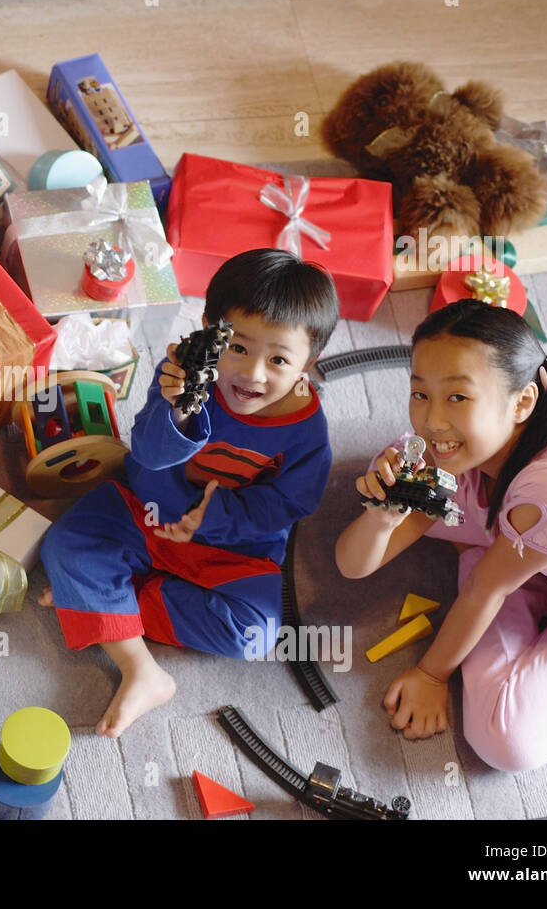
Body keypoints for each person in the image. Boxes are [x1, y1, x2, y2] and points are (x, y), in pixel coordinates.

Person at [335, 299, 547, 771]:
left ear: (523, 401)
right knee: (395, 477)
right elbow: (353, 564)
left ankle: (499, 552)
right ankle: (506, 551)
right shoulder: (448, 455)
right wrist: (383, 517)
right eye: (420, 393)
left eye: (458, 397)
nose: (432, 421)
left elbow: (488, 586)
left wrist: (431, 674)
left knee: (504, 741)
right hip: (539, 536)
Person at [39, 248, 338, 738]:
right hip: (148, 508)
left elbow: (291, 503)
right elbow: (150, 455)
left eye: (279, 359)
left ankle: (106, 598)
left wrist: (212, 519)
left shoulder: (307, 430)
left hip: (233, 545)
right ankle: (138, 665)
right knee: (67, 541)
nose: (253, 374)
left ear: (310, 362)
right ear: (206, 328)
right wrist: (176, 410)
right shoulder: (185, 374)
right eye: (237, 348)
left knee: (252, 635)